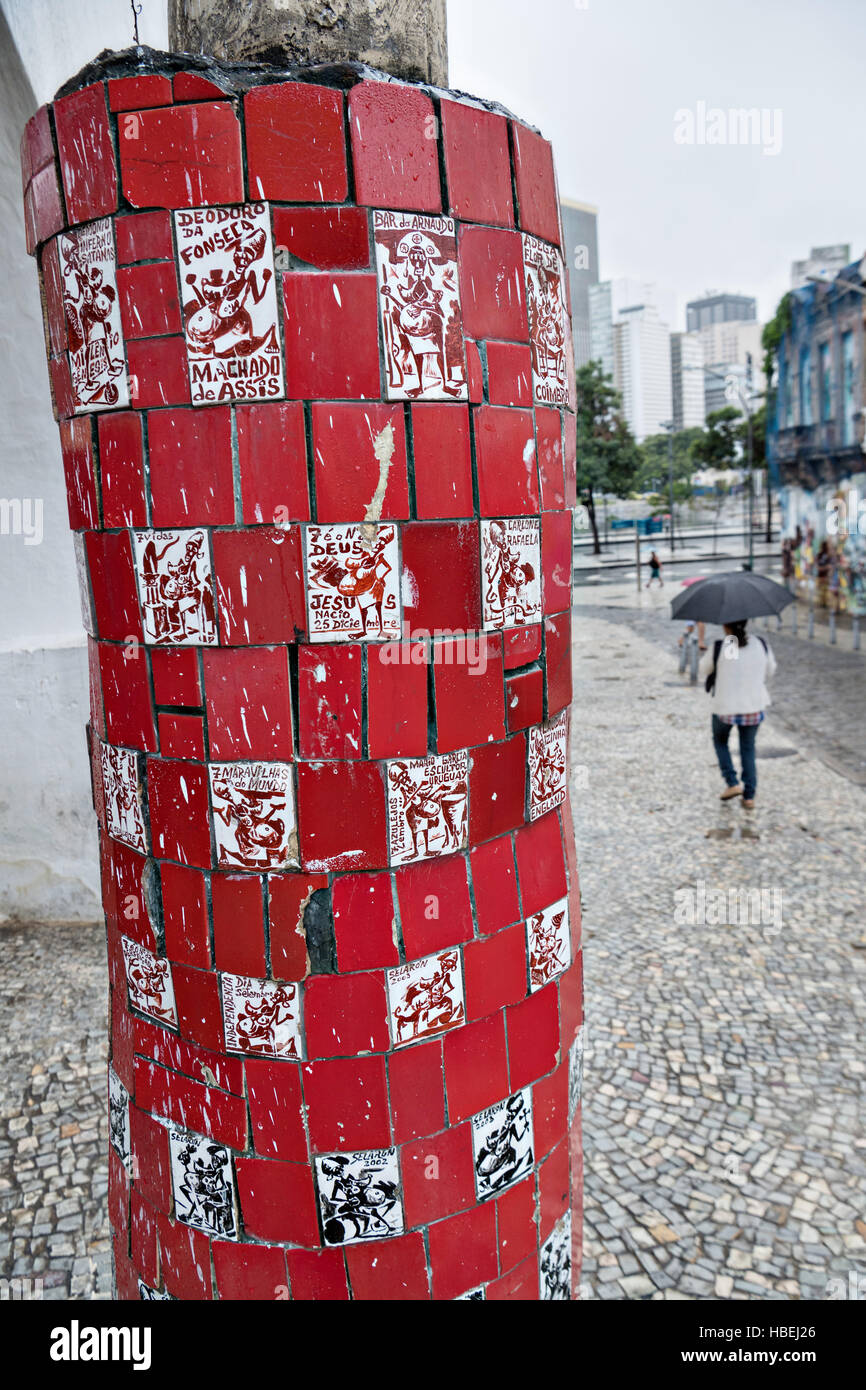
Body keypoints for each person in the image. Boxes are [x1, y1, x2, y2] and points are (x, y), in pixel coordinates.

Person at [701, 620, 776, 810]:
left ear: (725, 626)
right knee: (748, 749)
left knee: (720, 741)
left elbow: (705, 669)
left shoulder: (726, 646)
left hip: (726, 707)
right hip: (752, 706)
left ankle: (732, 783)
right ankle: (749, 796)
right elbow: (770, 670)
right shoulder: (760, 643)